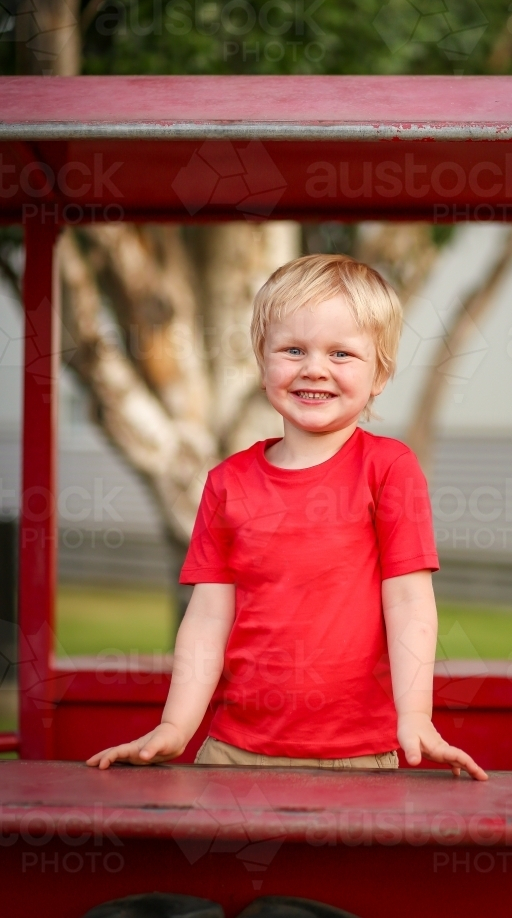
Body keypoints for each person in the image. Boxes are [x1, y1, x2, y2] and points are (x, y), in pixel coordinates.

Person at [86, 254, 487, 780]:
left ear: (380, 373)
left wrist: (417, 717)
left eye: (341, 353)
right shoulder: (228, 482)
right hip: (232, 752)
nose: (314, 368)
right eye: (293, 349)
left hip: (358, 755)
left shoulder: (388, 468)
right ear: (263, 361)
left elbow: (410, 601)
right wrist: (176, 727)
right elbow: (208, 617)